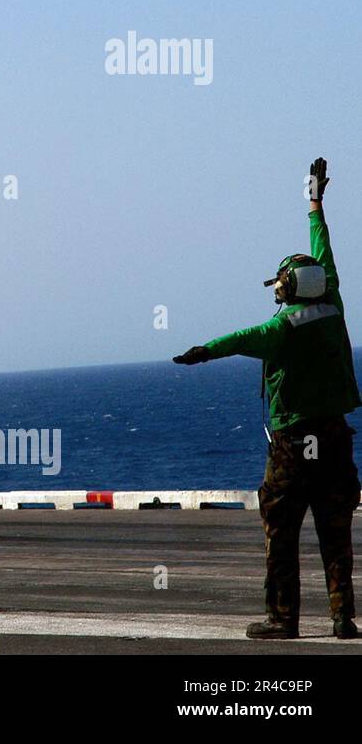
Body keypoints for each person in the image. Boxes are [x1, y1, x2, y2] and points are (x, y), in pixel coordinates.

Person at [174, 157, 360, 640]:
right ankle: (343, 617)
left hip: (293, 445)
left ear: (286, 287)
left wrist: (200, 353)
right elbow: (325, 248)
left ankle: (283, 618)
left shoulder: (280, 329)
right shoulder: (335, 305)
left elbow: (236, 339)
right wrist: (315, 202)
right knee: (335, 531)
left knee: (281, 530)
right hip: (336, 439)